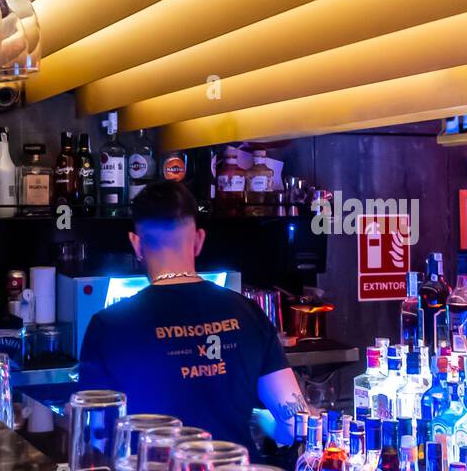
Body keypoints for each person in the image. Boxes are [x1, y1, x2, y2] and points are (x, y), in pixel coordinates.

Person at [78, 179, 311, 456]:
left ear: (136, 244)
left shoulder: (107, 326)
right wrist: (264, 420)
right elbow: (297, 422)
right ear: (199, 240)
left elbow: (97, 438)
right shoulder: (248, 313)